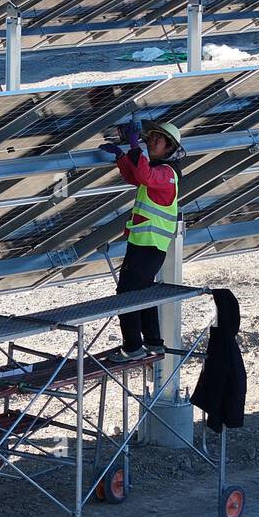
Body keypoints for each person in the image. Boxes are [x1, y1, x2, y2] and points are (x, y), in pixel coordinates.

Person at [99, 119, 185, 363]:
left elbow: (144, 174)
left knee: (126, 293)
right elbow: (135, 176)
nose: (151, 143)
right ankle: (154, 344)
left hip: (148, 245)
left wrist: (135, 145)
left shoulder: (167, 174)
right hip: (145, 243)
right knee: (143, 292)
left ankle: (132, 347)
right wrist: (121, 156)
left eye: (157, 140)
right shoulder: (159, 172)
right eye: (150, 139)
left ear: (170, 148)